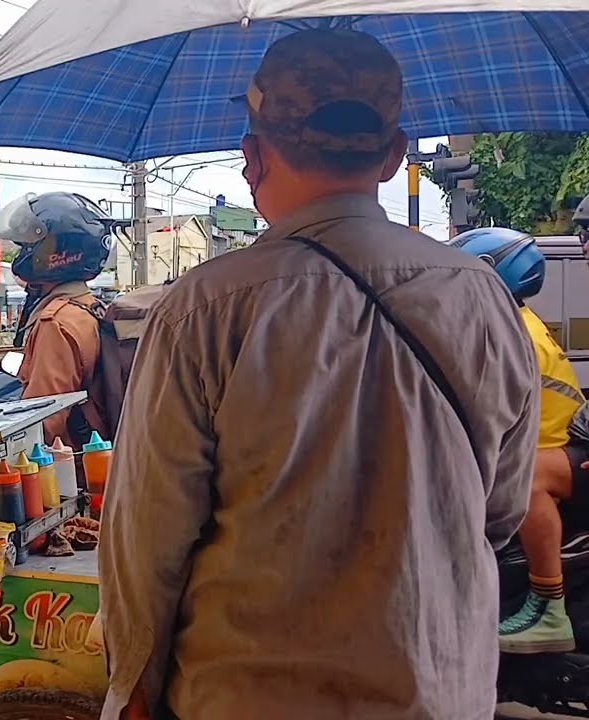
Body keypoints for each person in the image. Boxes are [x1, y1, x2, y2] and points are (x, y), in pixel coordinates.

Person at [99, 29, 538, 720]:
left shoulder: (201, 312)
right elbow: (501, 509)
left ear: (251, 156)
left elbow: (146, 539)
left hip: (248, 697)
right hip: (438, 690)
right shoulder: (482, 295)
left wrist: (132, 689)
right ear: (393, 157)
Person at [453, 227, 587, 653]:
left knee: (525, 480)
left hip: (557, 450)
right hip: (559, 441)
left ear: (490, 272)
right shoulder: (511, 321)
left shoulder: (511, 332)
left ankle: (548, 606)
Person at [0, 191, 113, 445]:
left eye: (29, 245)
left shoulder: (56, 323)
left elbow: (41, 423)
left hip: (72, 471)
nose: (24, 252)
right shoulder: (91, 307)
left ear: (57, 253)